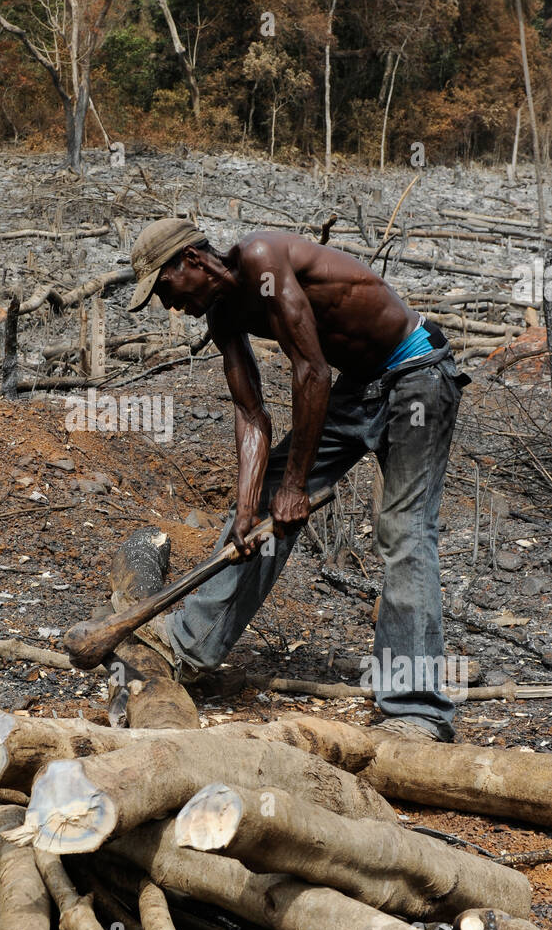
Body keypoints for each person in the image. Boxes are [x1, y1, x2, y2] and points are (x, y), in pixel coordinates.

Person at [127, 216, 470, 742]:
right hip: (359, 388)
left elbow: (312, 370)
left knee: (404, 531)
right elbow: (251, 415)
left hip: (416, 373)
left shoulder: (263, 257)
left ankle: (416, 710)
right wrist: (248, 506)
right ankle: (188, 648)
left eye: (164, 287)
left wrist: (296, 486)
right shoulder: (222, 318)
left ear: (192, 261)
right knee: (264, 508)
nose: (166, 305)